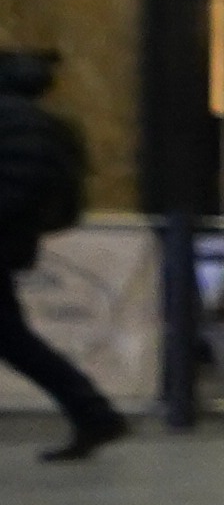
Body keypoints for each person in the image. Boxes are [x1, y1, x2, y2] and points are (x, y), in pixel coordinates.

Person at [0, 53, 120, 463]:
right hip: (11, 242)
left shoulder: (11, 121)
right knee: (12, 339)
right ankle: (93, 413)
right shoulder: (45, 124)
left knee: (13, 339)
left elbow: (17, 184)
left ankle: (94, 413)